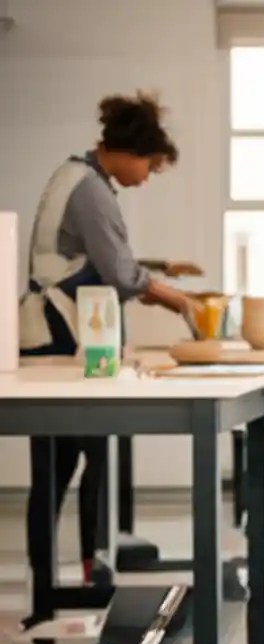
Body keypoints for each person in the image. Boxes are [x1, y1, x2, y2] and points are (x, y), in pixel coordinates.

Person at [17, 92, 199, 589]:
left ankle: (72, 578)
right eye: (150, 166)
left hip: (61, 336)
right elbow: (119, 274)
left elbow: (96, 258)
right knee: (72, 464)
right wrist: (180, 301)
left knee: (68, 466)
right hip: (57, 339)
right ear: (130, 151)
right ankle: (82, 580)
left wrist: (158, 271)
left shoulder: (81, 177)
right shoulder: (90, 190)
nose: (146, 177)